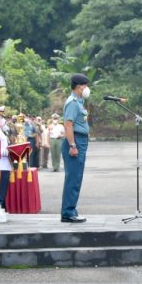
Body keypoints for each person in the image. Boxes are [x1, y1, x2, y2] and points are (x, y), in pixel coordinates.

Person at [61, 73, 91, 223]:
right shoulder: (73, 102)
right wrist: (72, 145)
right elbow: (68, 125)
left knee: (76, 178)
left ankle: (71, 210)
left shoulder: (79, 101)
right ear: (79, 87)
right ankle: (68, 212)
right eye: (85, 86)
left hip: (80, 140)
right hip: (75, 141)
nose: (87, 88)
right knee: (73, 178)